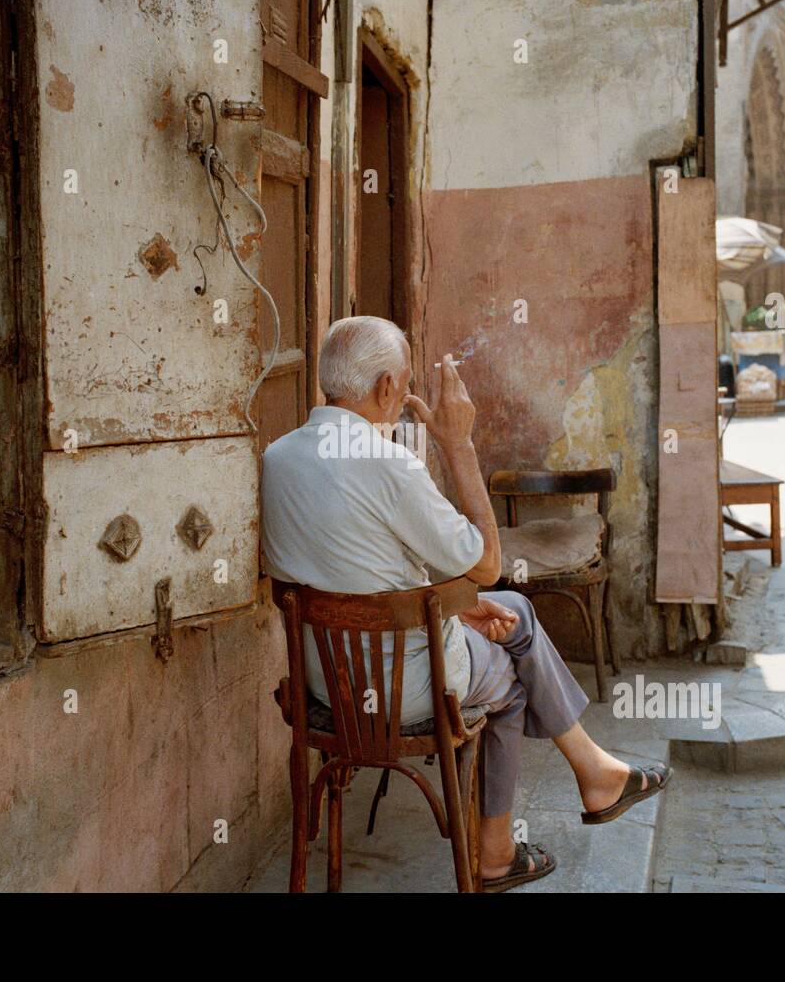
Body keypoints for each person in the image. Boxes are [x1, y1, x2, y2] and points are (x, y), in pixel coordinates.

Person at [261, 316, 670, 892]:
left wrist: (453, 609)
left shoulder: (277, 458)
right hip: (403, 692)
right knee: (512, 675)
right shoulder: (390, 465)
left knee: (512, 615)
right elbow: (486, 565)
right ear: (383, 389)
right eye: (402, 387)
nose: (404, 401)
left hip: (326, 685)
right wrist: (459, 445)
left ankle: (595, 771)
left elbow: (356, 574)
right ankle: (501, 849)